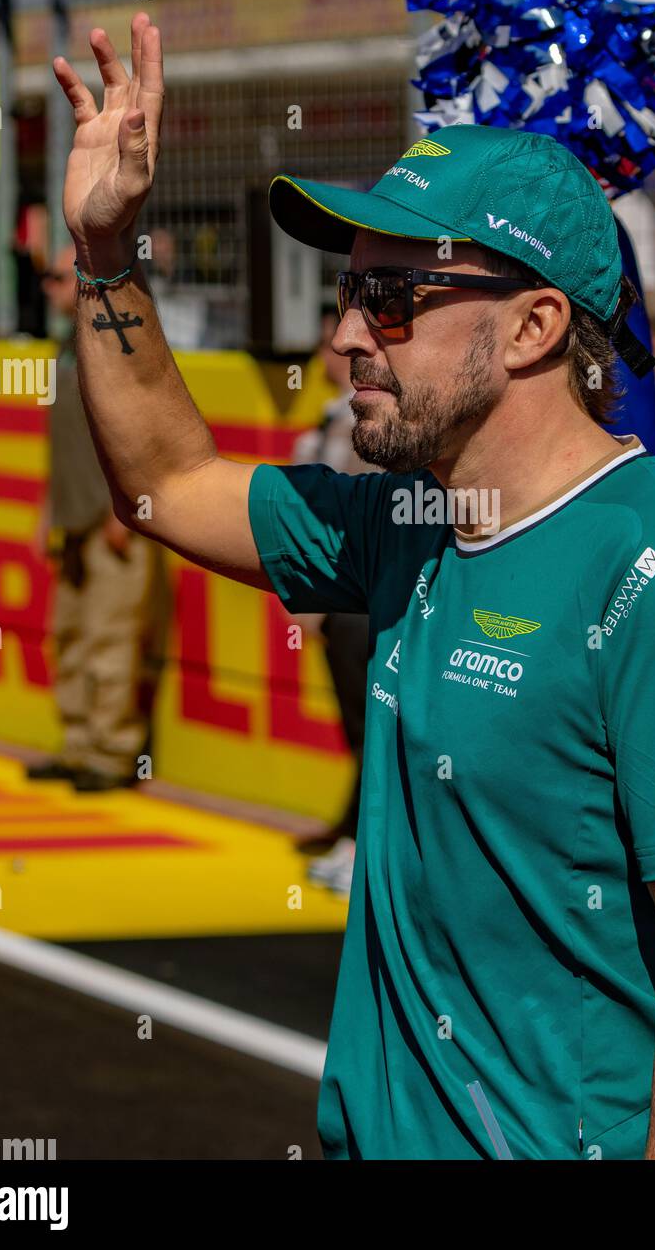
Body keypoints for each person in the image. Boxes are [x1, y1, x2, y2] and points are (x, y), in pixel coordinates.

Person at [52, 11, 655, 1160]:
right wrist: (108, 249)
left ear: (537, 323)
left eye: (393, 299)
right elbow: (165, 482)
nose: (345, 337)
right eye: (348, 296)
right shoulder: (410, 519)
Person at [27, 242, 159, 793]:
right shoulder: (66, 348)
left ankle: (112, 754)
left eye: (57, 279)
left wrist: (121, 510)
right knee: (74, 637)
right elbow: (65, 445)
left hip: (112, 521)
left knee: (111, 639)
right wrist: (48, 511)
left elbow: (141, 436)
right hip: (75, 519)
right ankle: (78, 743)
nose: (47, 289)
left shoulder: (118, 343)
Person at [292, 307, 379, 897]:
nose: (332, 354)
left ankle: (364, 842)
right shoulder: (318, 426)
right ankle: (353, 832)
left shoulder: (376, 427)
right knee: (356, 726)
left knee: (373, 724)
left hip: (366, 600)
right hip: (334, 604)